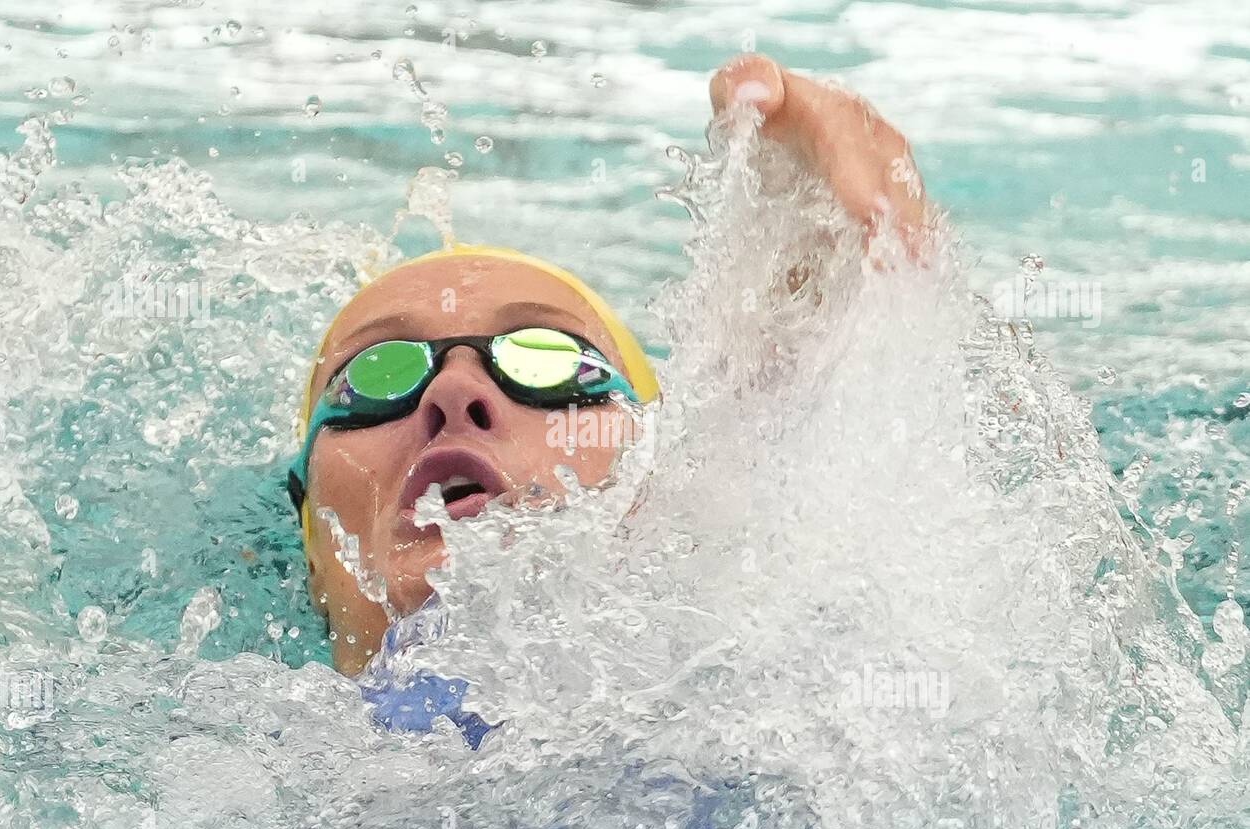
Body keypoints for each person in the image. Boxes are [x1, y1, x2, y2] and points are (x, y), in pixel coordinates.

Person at [290, 55, 930, 737]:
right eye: (375, 376)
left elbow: (844, 345)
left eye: (552, 362)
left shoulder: (769, 724)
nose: (454, 390)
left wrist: (836, 216)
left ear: (656, 482)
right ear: (305, 546)